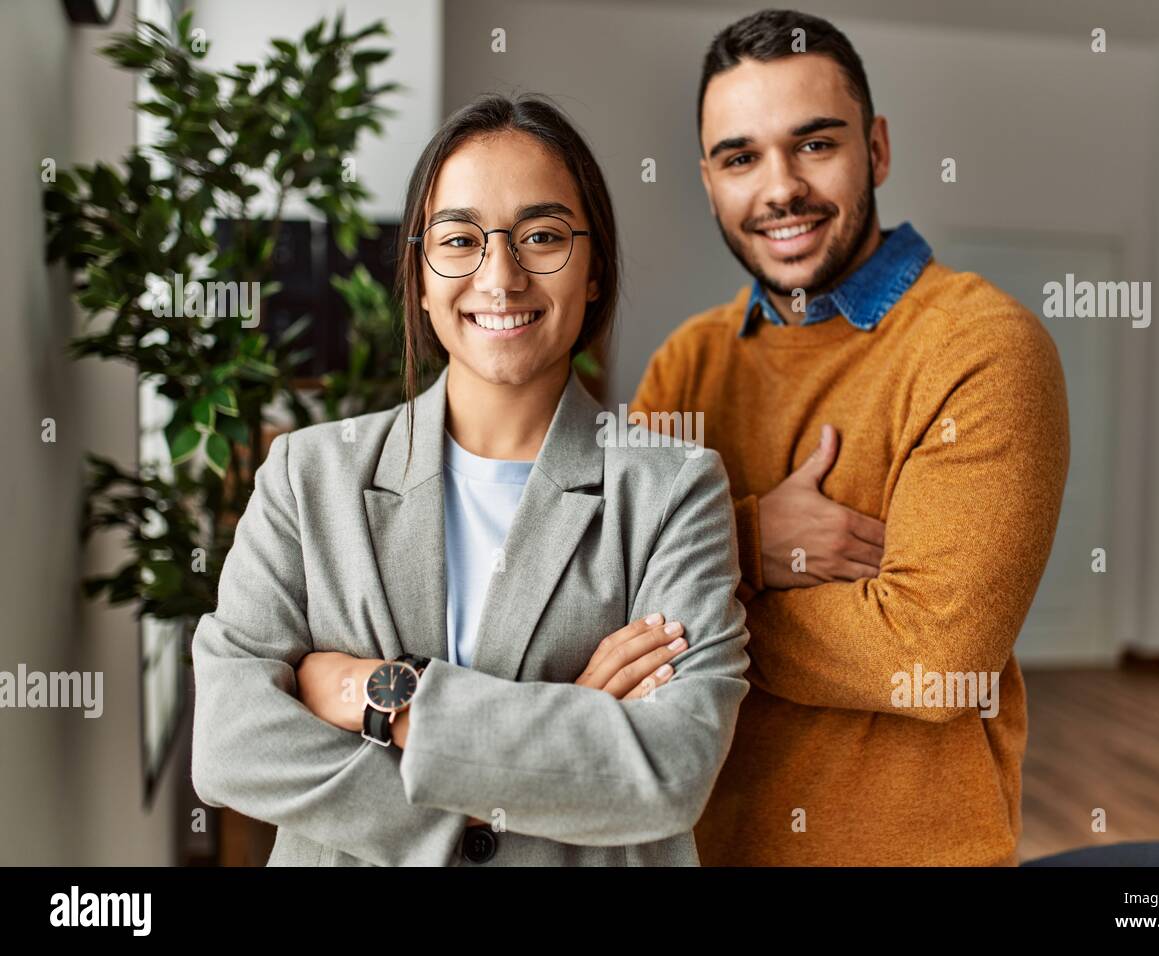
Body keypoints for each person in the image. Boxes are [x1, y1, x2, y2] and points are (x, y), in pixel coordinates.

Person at [190, 94, 751, 866]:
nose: (501, 275)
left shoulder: (673, 489)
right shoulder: (306, 475)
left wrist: (380, 697)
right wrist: (562, 736)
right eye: (460, 239)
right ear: (420, 278)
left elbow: (671, 769)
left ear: (594, 273)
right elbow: (230, 742)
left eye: (543, 236)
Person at [629, 9, 1070, 865]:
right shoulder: (686, 363)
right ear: (709, 179)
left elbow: (935, 654)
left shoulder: (981, 346)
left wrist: (687, 599)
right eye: (740, 157)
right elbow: (606, 603)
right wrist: (751, 543)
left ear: (877, 148)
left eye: (815, 143)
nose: (780, 187)